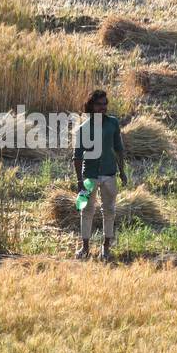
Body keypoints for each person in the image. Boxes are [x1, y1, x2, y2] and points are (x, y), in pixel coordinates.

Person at [73, 89, 128, 260]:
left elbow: (119, 149)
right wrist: (79, 180)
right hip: (89, 176)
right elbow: (77, 157)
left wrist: (122, 171)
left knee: (109, 211)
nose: (102, 108)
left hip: (109, 174)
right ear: (91, 106)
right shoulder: (83, 129)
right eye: (99, 105)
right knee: (86, 210)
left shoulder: (113, 123)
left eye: (105, 104)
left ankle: (106, 247)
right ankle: (85, 248)